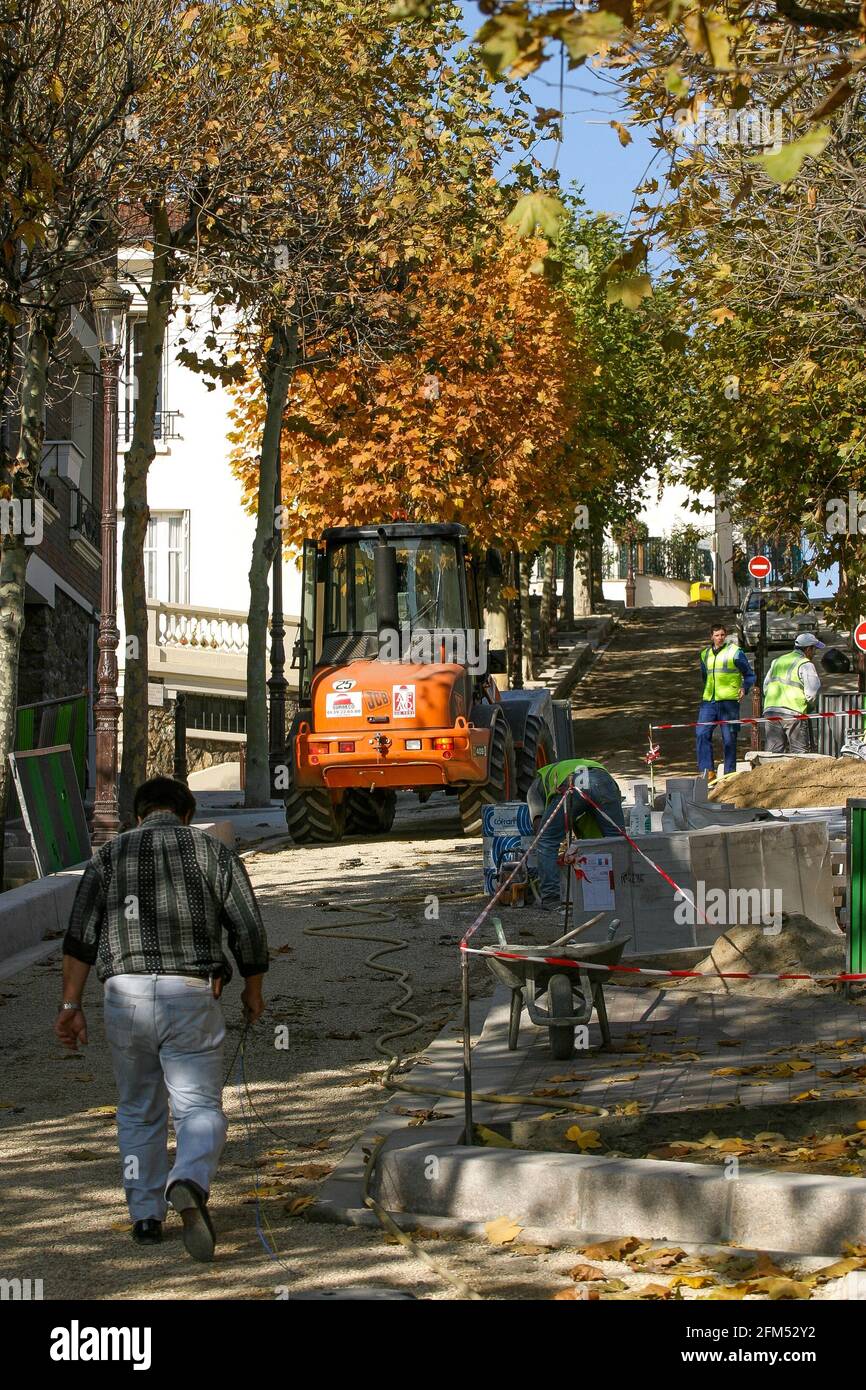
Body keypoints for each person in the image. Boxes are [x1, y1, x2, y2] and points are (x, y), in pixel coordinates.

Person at [54, 776, 269, 1262]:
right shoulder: (211, 851)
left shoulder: (109, 856)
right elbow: (248, 925)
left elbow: (80, 936)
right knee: (198, 1107)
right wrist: (253, 989)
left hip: (124, 994)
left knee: (136, 1109)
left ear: (138, 814)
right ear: (187, 813)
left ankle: (145, 1216)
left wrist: (70, 1006)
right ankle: (190, 1178)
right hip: (189, 992)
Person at [526, 757, 625, 910]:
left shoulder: (535, 787)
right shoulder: (571, 767)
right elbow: (592, 834)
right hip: (604, 779)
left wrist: (547, 860)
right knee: (616, 839)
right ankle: (623, 889)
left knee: (546, 840)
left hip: (573, 783)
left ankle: (551, 898)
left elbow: (540, 827)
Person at [696, 622, 755, 783]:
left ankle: (729, 774)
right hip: (709, 701)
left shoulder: (735, 652)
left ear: (726, 635)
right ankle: (707, 772)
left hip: (729, 702)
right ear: (711, 637)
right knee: (701, 734)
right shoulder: (705, 654)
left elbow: (750, 675)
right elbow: (705, 677)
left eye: (722, 635)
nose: (720, 638)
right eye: (716, 635)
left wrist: (744, 688)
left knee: (729, 739)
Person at [763, 633, 824, 753]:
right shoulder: (806, 664)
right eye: (814, 649)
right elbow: (812, 692)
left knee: (773, 753)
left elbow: (766, 687)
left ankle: (772, 771)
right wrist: (810, 707)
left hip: (771, 711)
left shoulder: (777, 661)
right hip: (793, 713)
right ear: (807, 649)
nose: (814, 653)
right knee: (800, 755)